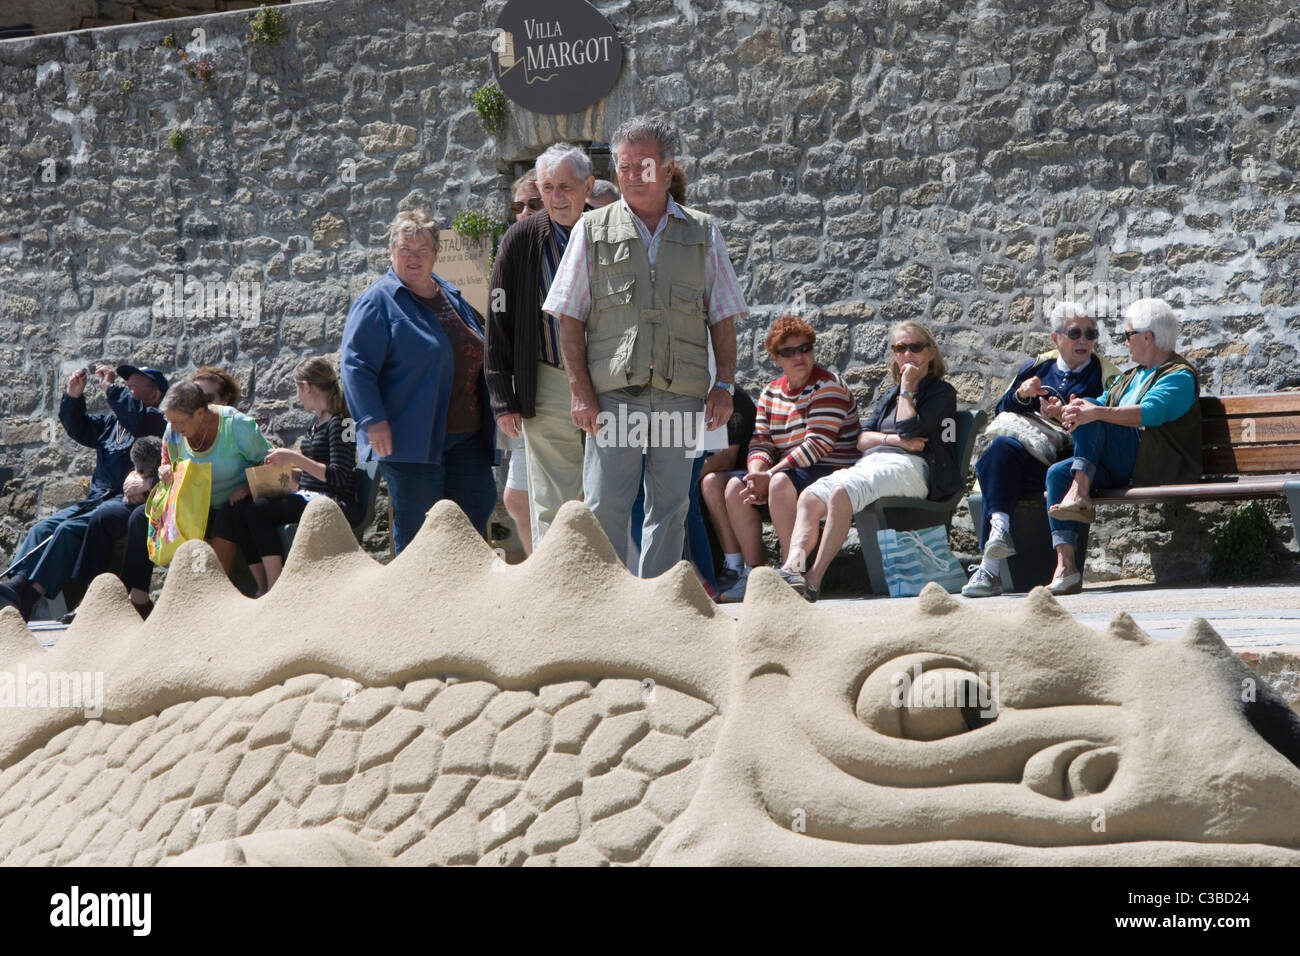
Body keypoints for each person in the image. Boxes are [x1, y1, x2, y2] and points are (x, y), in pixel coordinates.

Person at [543, 116, 747, 578]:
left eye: (643, 164)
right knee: (604, 506)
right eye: (624, 164)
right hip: (614, 397)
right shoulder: (591, 230)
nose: (632, 174)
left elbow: (724, 314)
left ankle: (657, 610)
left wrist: (724, 386)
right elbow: (569, 317)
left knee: (671, 507)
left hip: (680, 394)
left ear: (669, 168)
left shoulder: (702, 232)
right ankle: (605, 613)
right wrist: (580, 392)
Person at [341, 207, 497, 554]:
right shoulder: (378, 301)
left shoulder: (449, 294)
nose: (413, 258)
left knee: (475, 512)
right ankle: (416, 604)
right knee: (421, 533)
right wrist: (371, 420)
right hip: (411, 440)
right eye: (405, 250)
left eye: (422, 250)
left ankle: (463, 599)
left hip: (466, 434)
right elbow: (355, 365)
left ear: (435, 253)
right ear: (391, 252)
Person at [778, 322, 958, 602]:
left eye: (915, 347)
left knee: (842, 493)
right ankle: (792, 568)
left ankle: (813, 580)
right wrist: (893, 440)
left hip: (913, 469)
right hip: (875, 463)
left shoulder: (942, 393)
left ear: (931, 353)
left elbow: (910, 428)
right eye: (900, 348)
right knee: (810, 497)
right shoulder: (889, 394)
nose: (907, 354)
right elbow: (861, 439)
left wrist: (908, 389)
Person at [1044, 298, 1201, 595]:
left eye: (1128, 335)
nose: (1125, 342)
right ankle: (1067, 568)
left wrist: (1093, 412)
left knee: (1094, 416)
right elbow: (1099, 405)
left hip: (1155, 465)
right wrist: (1066, 410)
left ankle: (1080, 492)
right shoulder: (1130, 377)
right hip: (1123, 463)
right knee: (1057, 474)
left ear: (1147, 337)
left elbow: (1149, 413)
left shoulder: (1179, 376)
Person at [962, 302, 1119, 598]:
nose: (1084, 340)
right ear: (1055, 338)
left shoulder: (1104, 376)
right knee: (999, 450)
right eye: (1075, 333)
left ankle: (990, 566)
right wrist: (1022, 395)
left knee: (1014, 471)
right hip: (1030, 460)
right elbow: (1001, 411)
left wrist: (1064, 416)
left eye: (1090, 333)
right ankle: (998, 535)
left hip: (1073, 467)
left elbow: (1109, 429)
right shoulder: (1036, 368)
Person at [702, 316, 861, 602]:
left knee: (776, 483)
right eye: (789, 352)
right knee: (724, 485)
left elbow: (817, 445)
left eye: (805, 348)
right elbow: (761, 440)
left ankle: (793, 572)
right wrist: (755, 473)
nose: (799, 356)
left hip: (829, 469)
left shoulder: (828, 386)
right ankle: (752, 573)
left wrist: (769, 474)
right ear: (776, 358)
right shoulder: (771, 391)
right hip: (788, 470)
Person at [487, 144, 596, 552]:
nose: (555, 197)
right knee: (551, 497)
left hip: (611, 376)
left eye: (565, 186)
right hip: (548, 377)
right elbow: (497, 315)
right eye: (547, 187)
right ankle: (560, 581)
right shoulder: (520, 239)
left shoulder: (611, 229)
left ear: (588, 186)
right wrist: (502, 396)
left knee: (609, 488)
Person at [0, 363, 166, 620]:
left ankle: (31, 593)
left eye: (134, 384)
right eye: (126, 383)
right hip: (95, 500)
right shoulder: (112, 425)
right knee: (42, 529)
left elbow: (134, 414)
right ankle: (16, 585)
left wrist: (110, 388)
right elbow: (79, 426)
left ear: (155, 395)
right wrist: (73, 397)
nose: (127, 387)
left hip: (122, 501)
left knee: (68, 530)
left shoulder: (155, 420)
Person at [225, 357, 360, 594]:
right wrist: (273, 475)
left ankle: (276, 586)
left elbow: (339, 476)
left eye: (298, 389)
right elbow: (308, 471)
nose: (298, 396)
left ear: (306, 387)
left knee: (258, 509)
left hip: (331, 500)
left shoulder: (343, 422)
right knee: (240, 509)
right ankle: (262, 586)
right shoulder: (316, 422)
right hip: (309, 493)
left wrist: (295, 458)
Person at [160, 381, 274, 575]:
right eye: (170, 421)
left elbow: (271, 461)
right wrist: (164, 471)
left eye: (179, 422)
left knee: (227, 516)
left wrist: (247, 488)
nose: (173, 427)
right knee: (139, 517)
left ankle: (217, 585)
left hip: (235, 502)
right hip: (197, 504)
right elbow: (167, 462)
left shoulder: (235, 425)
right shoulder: (173, 431)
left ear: (200, 413)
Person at [61, 435, 163, 623]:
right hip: (142, 497)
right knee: (102, 517)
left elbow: (177, 467)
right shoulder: (172, 428)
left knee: (139, 518)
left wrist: (149, 484)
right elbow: (137, 469)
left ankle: (136, 598)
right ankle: (92, 593)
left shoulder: (173, 431)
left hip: (164, 501)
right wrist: (133, 481)